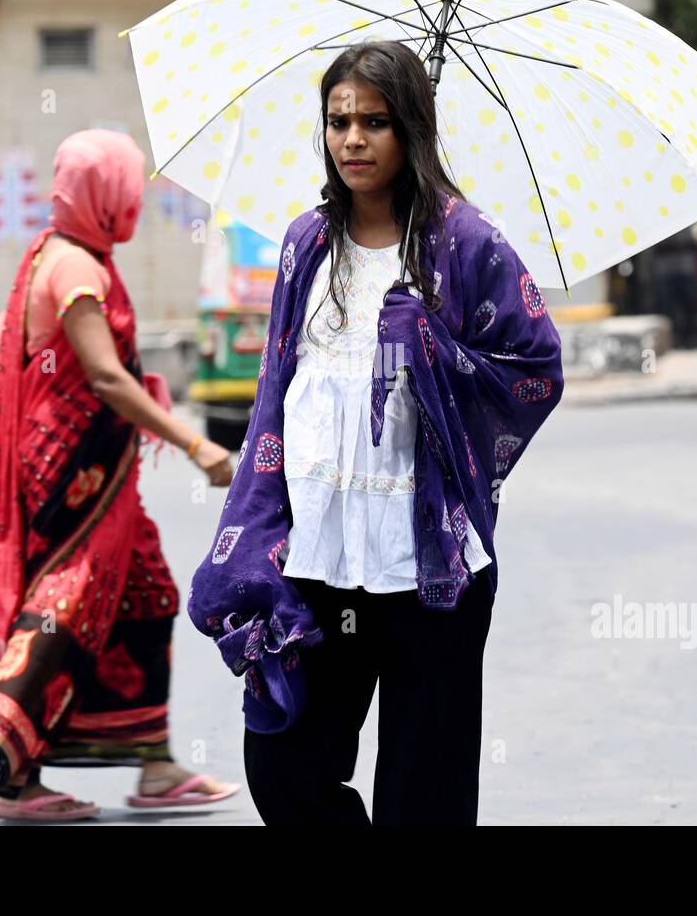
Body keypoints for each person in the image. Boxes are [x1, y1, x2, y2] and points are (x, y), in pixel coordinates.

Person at [186, 41, 565, 825]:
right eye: (338, 121)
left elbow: (534, 372)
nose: (353, 139)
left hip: (429, 567)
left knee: (423, 798)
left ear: (411, 130)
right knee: (285, 768)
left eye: (376, 122)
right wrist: (257, 529)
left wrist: (433, 345)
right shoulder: (305, 245)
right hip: (320, 558)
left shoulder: (467, 246)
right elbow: (274, 394)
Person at [0, 129, 240, 820]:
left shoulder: (68, 253)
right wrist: (197, 446)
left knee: (147, 595)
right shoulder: (77, 267)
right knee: (66, 607)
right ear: (104, 194)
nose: (134, 199)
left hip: (99, 472)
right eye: (128, 187)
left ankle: (155, 763)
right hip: (74, 476)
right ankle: (14, 778)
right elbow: (104, 374)